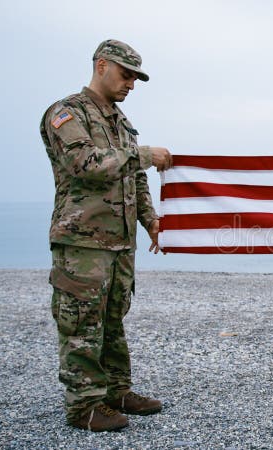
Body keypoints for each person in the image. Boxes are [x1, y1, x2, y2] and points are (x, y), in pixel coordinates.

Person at [40, 39, 173, 432]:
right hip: (82, 242)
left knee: (113, 319)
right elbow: (84, 164)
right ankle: (84, 406)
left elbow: (135, 179)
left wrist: (150, 220)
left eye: (135, 77)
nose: (131, 83)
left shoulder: (121, 123)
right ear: (101, 65)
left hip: (119, 242)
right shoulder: (66, 113)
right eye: (125, 74)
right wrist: (144, 154)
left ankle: (116, 391)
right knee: (81, 323)